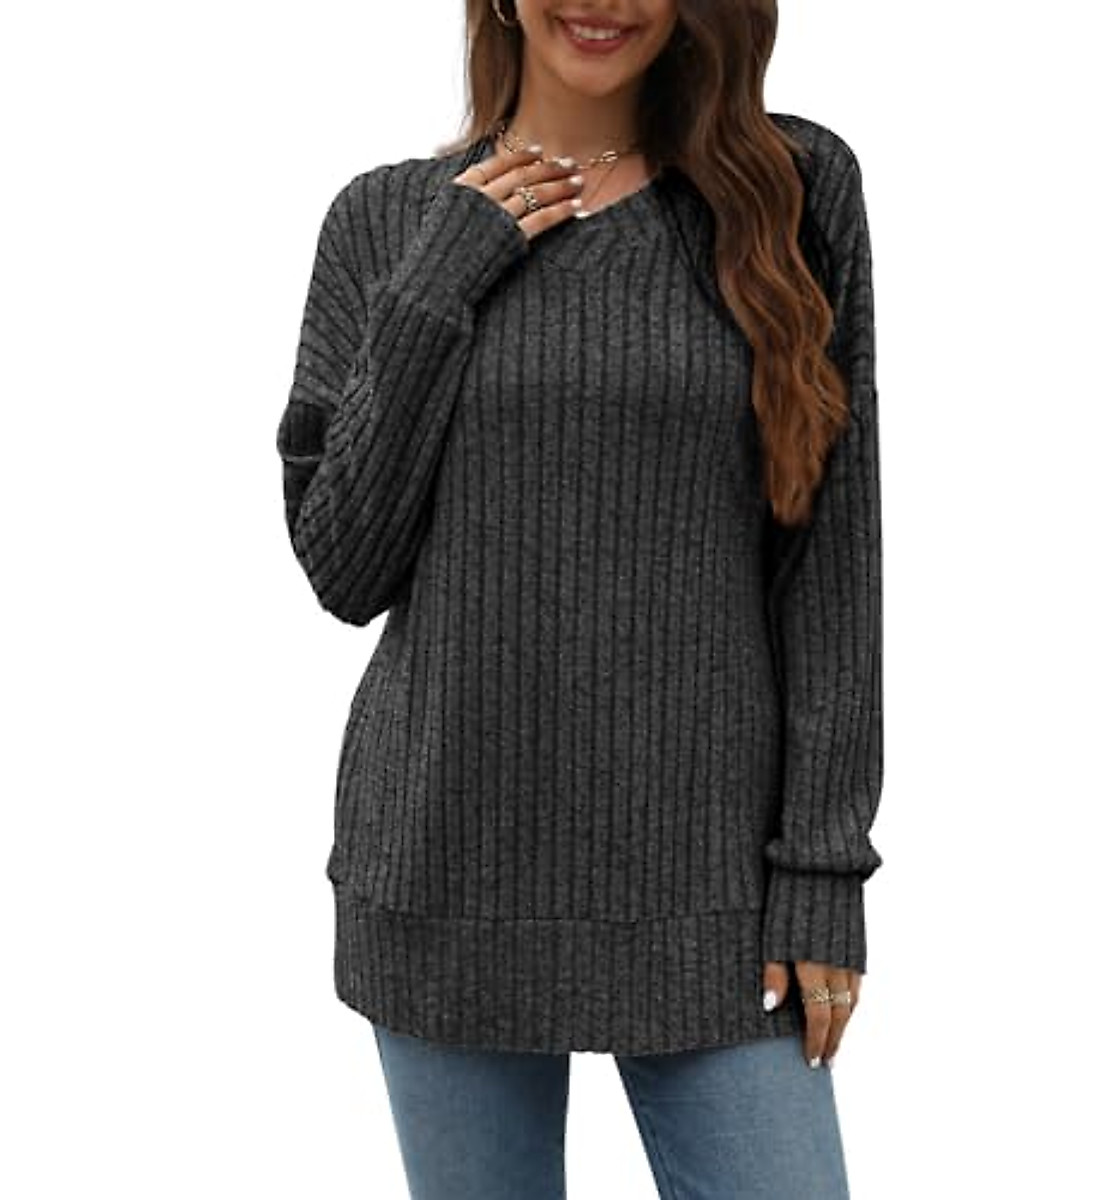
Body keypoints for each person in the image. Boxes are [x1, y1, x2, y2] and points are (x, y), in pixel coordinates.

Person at [274, 0, 885, 1195]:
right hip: (448, 873)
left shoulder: (792, 193)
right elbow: (343, 566)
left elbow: (832, 559)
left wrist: (822, 868)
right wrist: (442, 277)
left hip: (713, 890)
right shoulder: (386, 219)